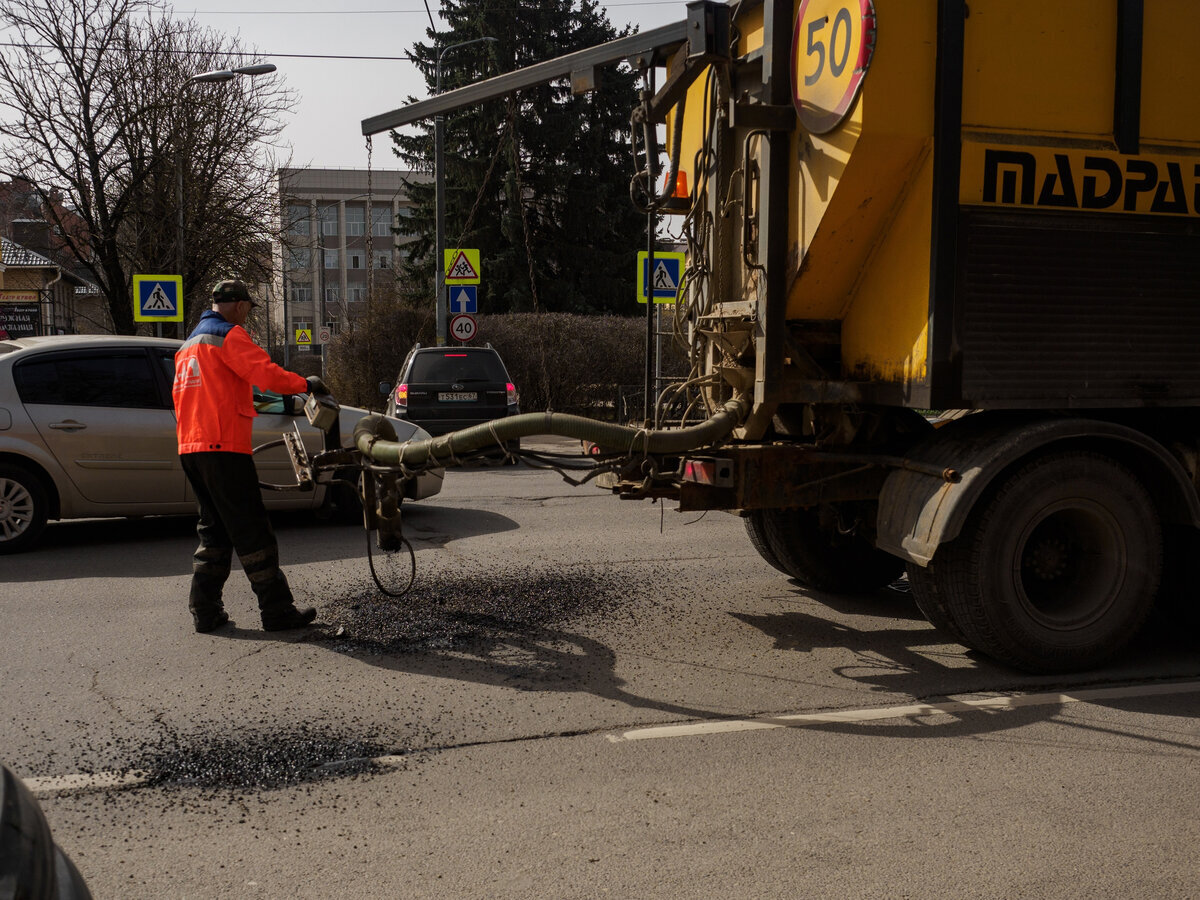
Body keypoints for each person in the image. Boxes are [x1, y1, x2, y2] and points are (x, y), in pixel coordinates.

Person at [172, 279, 328, 633]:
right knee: (252, 529)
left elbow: (215, 393)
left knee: (214, 530)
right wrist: (307, 384)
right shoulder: (228, 336)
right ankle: (276, 610)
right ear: (240, 305)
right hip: (223, 447)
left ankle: (205, 610)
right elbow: (266, 374)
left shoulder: (189, 346)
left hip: (192, 448)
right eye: (246, 309)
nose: (245, 316)